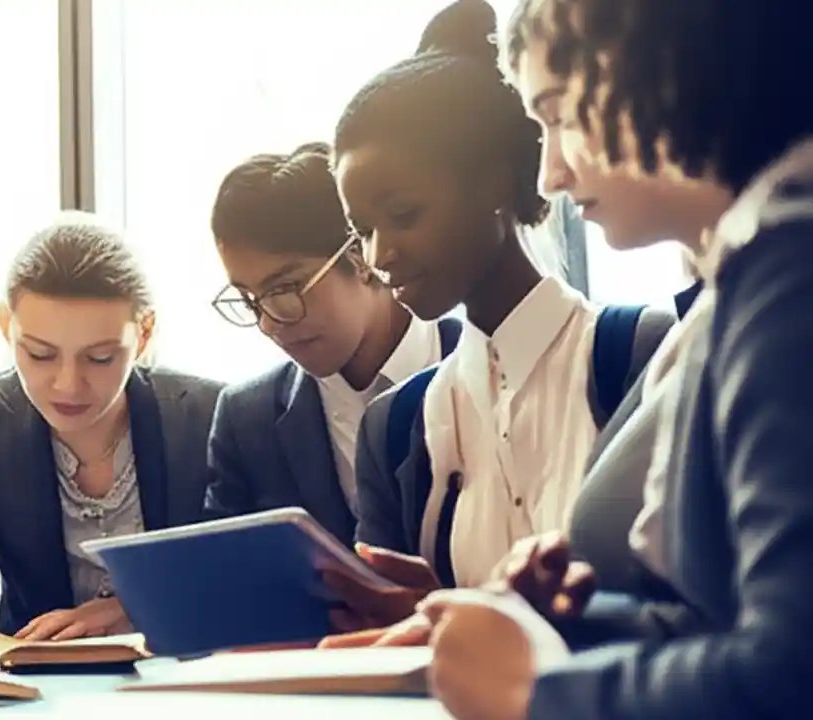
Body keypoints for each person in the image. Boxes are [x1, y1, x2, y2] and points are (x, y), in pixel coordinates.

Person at [410, 0, 813, 717]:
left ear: (672, 58)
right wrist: (550, 630)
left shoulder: (791, 274)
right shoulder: (751, 275)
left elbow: (792, 671)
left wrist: (534, 691)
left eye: (560, 116)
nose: (549, 176)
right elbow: (721, 624)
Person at [320, 0, 736, 649]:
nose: (379, 255)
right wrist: (439, 613)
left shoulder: (647, 351)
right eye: (363, 231)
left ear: (493, 181)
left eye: (404, 214)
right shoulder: (395, 427)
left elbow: (719, 612)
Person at [0, 214, 224, 640]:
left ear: (143, 333)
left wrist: (139, 609)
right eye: (40, 354)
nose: (68, 384)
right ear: (5, 325)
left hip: (189, 680)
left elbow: (256, 581)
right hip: (35, 685)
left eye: (100, 358)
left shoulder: (213, 418)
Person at [205, 142, 461, 547]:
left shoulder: (486, 364)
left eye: (285, 289)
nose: (269, 323)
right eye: (250, 300)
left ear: (359, 255)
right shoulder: (247, 420)